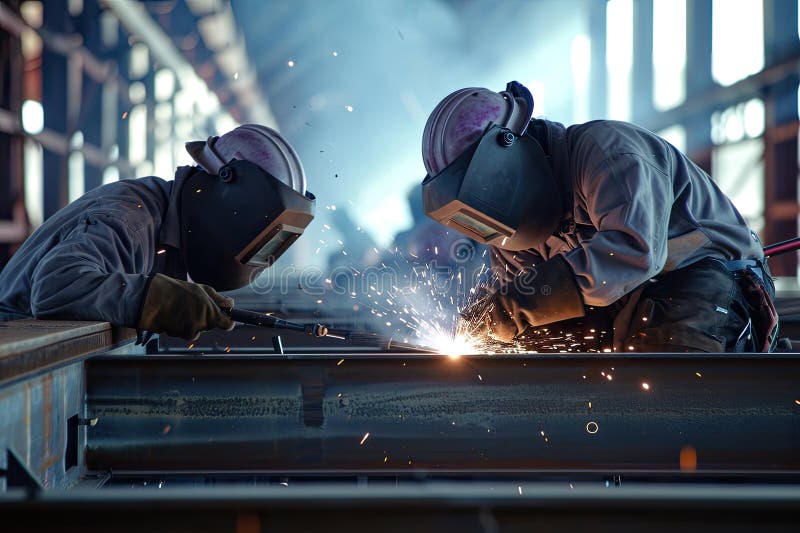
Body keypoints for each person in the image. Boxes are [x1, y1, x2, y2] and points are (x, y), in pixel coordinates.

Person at [420, 81, 778, 352]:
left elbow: (633, 252)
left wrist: (518, 305)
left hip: (709, 277)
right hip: (629, 295)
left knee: (666, 360)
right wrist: (493, 321)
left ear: (510, 152)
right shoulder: (511, 227)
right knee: (534, 342)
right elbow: (523, 300)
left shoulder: (608, 152)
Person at [0, 125, 315, 340]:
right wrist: (156, 299)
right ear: (226, 190)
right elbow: (54, 287)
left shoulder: (173, 237)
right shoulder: (133, 219)